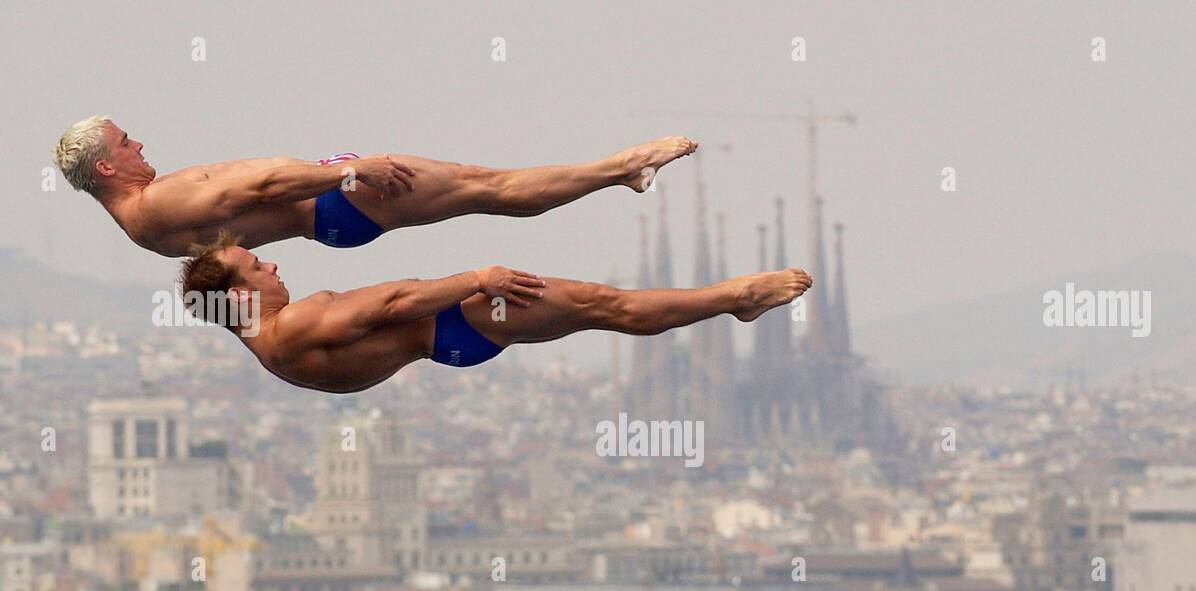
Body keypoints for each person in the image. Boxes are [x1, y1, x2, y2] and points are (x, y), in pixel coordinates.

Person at [177, 234, 813, 394]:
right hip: (461, 320)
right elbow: (396, 303)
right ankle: (738, 299)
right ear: (237, 296)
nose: (273, 267)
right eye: (256, 268)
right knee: (605, 305)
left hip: (448, 340)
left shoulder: (269, 351)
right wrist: (479, 279)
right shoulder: (295, 326)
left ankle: (734, 302)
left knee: (601, 311)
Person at [54, 115, 696, 257]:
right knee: (487, 186)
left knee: (482, 194)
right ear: (106, 167)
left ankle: (620, 173)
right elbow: (262, 184)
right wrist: (347, 171)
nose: (139, 144)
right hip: (338, 195)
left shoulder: (142, 227)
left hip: (331, 209)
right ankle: (624, 169)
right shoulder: (158, 202)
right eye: (125, 143)